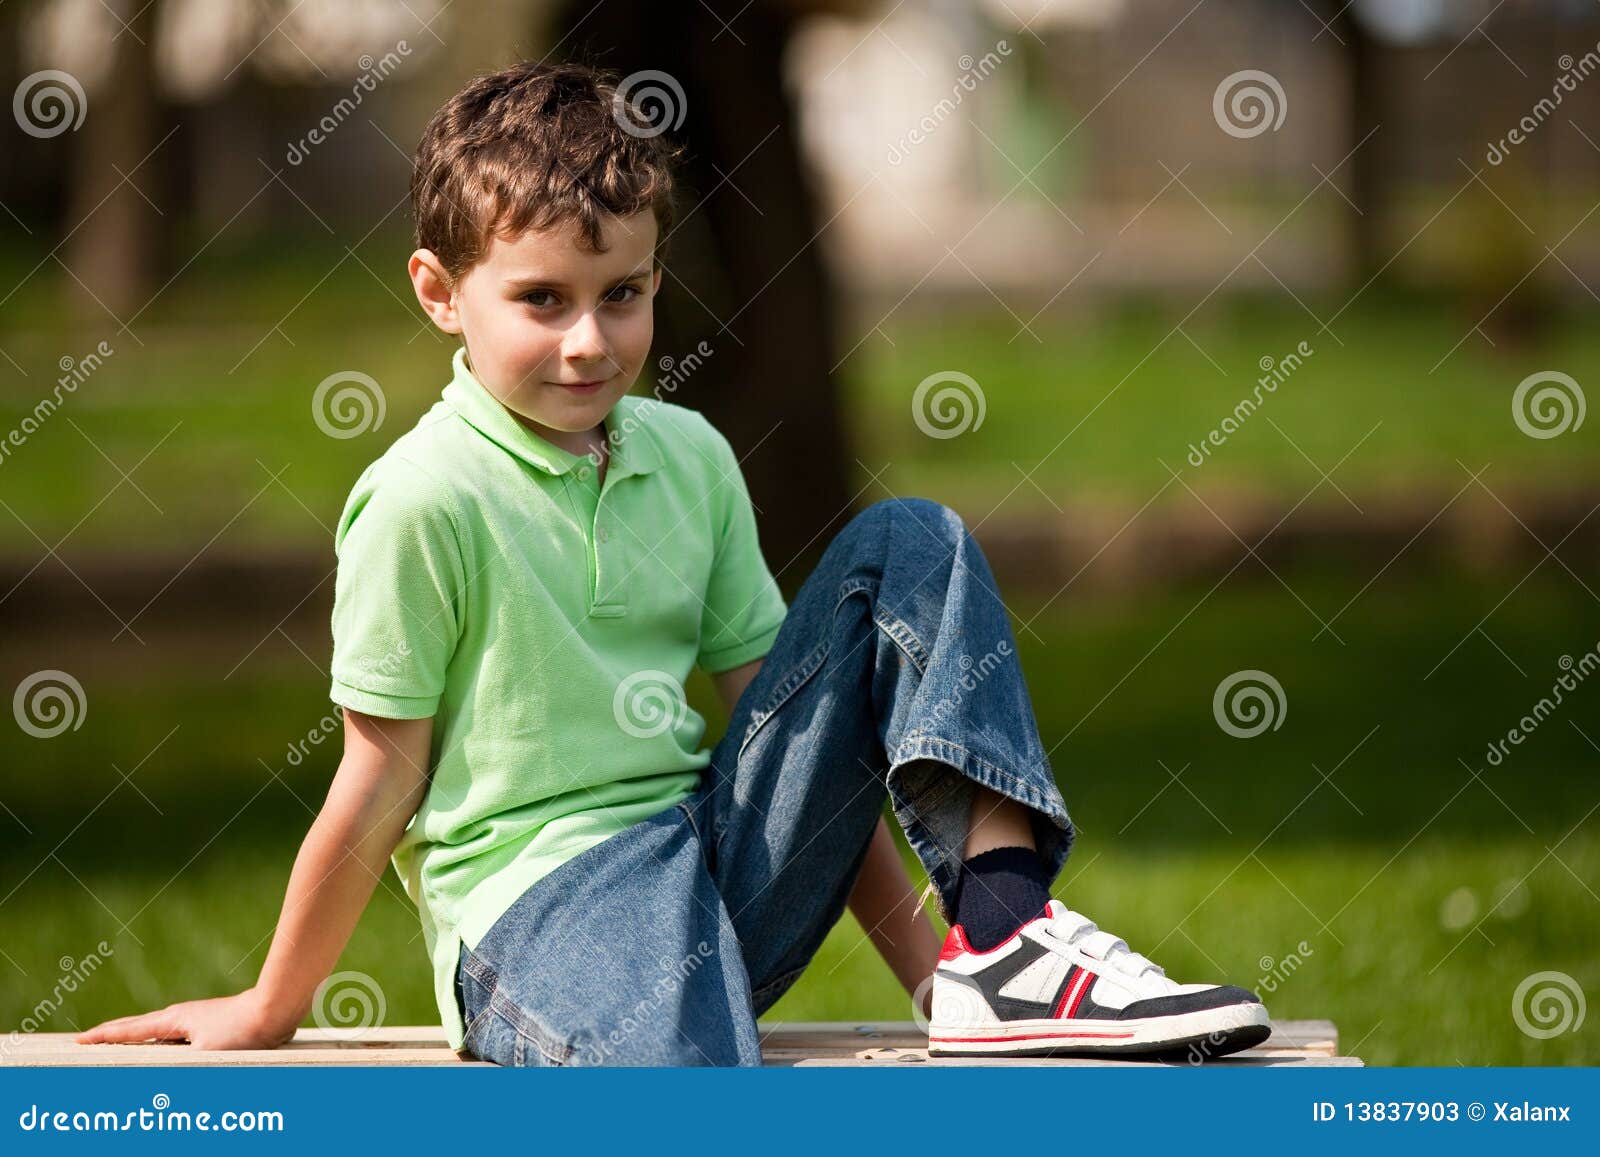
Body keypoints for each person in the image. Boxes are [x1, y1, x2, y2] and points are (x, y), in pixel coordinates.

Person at [77, 61, 1270, 1065]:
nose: (590, 339)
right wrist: (270, 1005)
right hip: (540, 914)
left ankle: (1002, 938)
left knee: (911, 541)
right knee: (684, 1081)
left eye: (624, 294)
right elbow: (375, 785)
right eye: (541, 299)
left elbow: (804, 741)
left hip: (711, 864)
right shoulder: (420, 500)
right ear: (441, 294)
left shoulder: (688, 455)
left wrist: (931, 986)